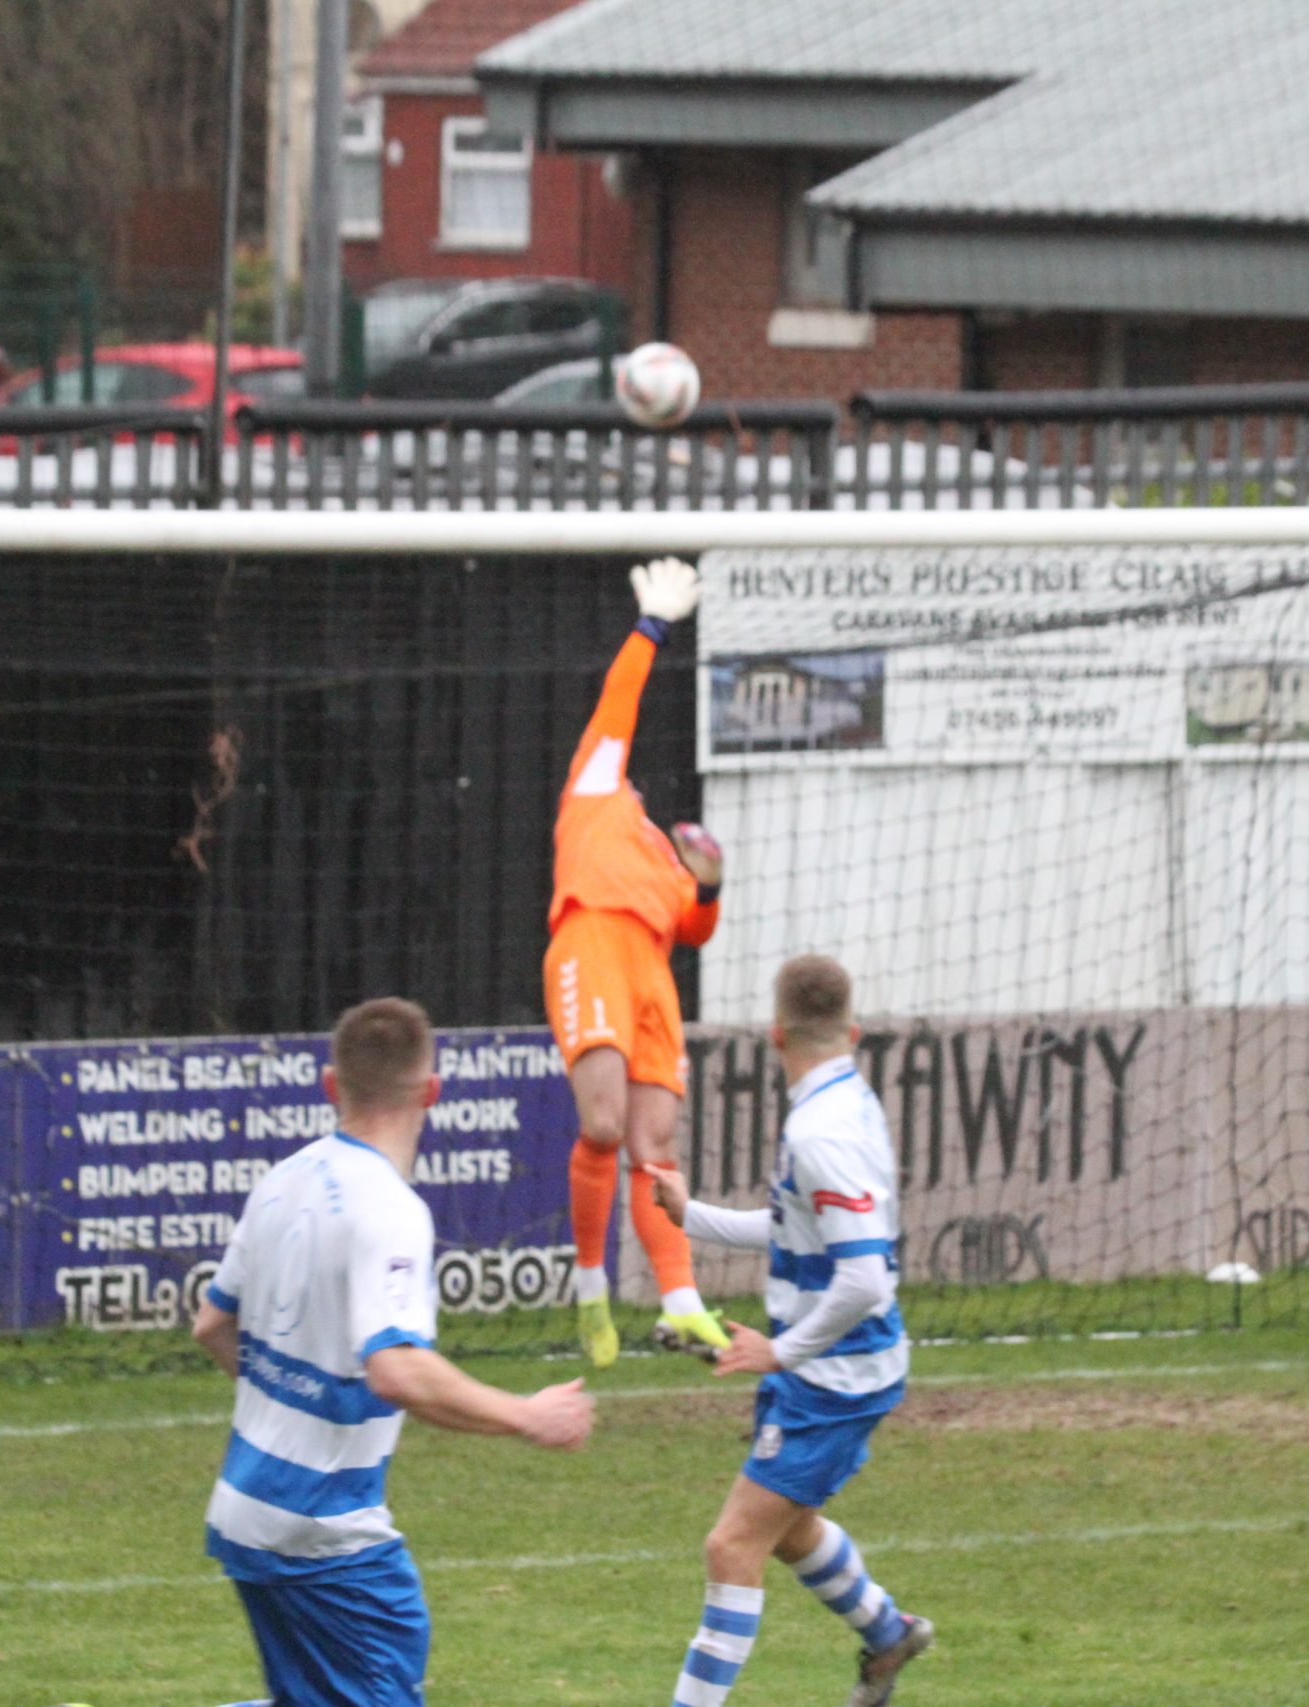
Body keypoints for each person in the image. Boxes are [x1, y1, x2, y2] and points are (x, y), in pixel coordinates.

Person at [194, 996, 595, 1707]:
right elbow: (396, 1366)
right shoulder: (390, 1208)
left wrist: (287, 1407)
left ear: (330, 1086)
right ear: (432, 1091)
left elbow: (210, 1324)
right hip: (324, 1530)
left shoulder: (281, 1179)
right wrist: (526, 1415)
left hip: (247, 1505)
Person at [648, 955, 934, 1707]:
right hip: (828, 1370)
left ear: (774, 1035)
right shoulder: (848, 1103)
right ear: (855, 1031)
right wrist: (694, 1215)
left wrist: (782, 1348)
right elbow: (795, 1225)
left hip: (834, 1377)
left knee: (731, 1543)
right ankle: (887, 1632)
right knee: (789, 1527)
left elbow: (864, 1276)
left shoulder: (821, 1131)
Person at [547, 556, 730, 1367]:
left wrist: (711, 886)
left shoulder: (662, 850)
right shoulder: (595, 791)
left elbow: (693, 928)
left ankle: (681, 1300)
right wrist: (652, 624)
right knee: (604, 1123)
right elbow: (619, 706)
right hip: (592, 940)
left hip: (651, 968)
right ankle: (590, 1288)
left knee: (655, 1145)